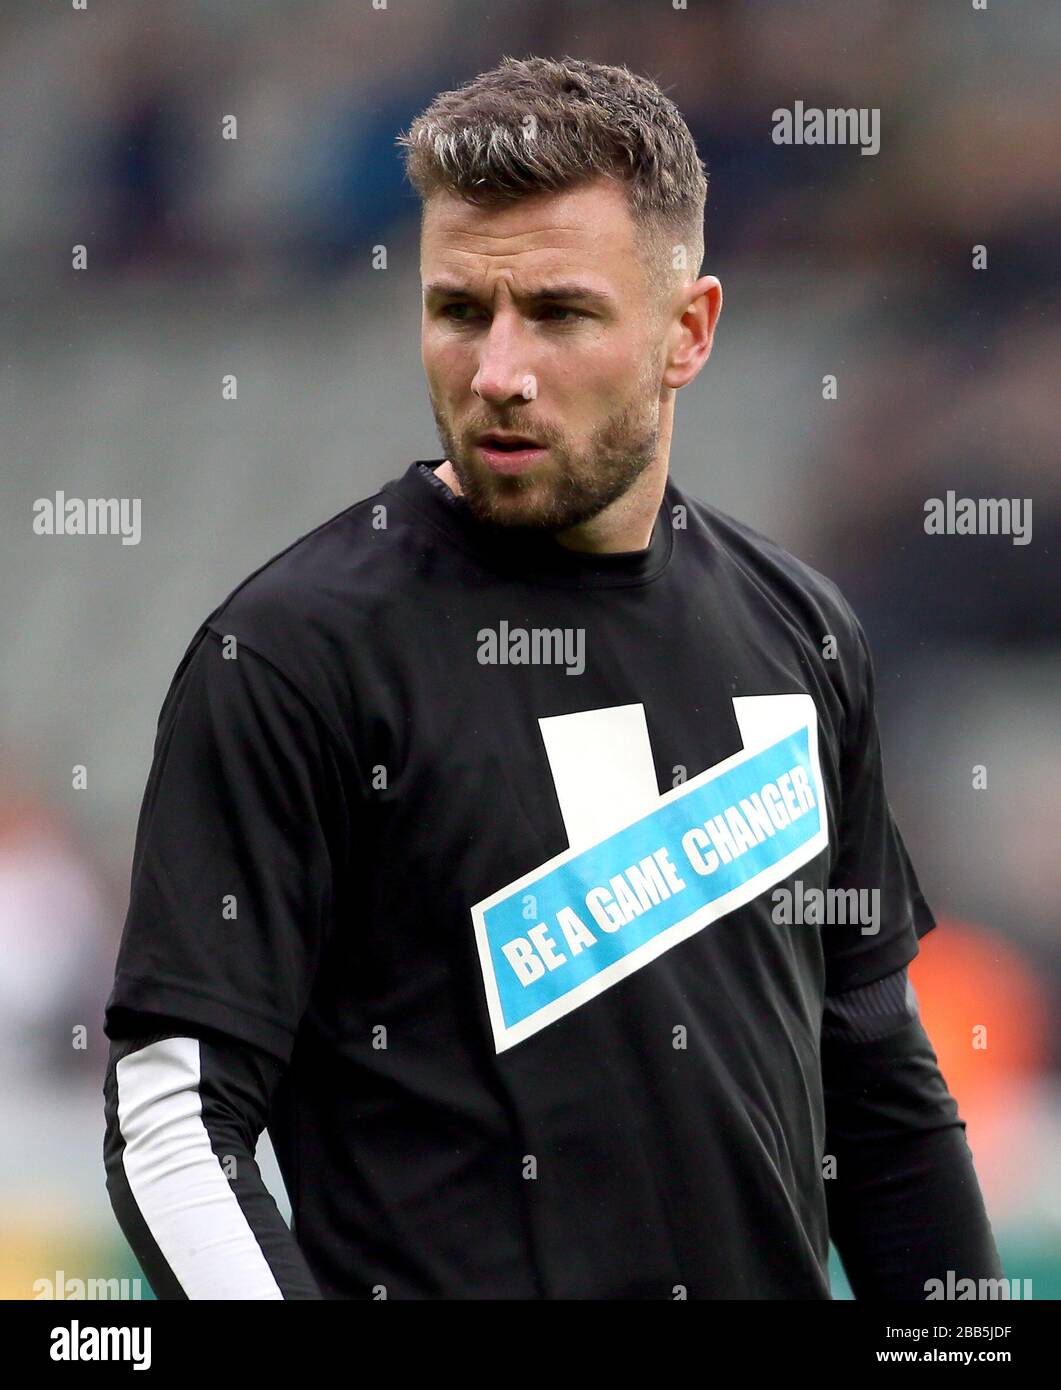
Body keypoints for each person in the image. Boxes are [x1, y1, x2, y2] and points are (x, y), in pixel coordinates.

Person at [102, 55, 1002, 1299]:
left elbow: (875, 1083)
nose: (496, 371)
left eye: (560, 314)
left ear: (686, 330)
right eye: (460, 310)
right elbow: (174, 1122)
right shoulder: (290, 658)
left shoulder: (800, 633)